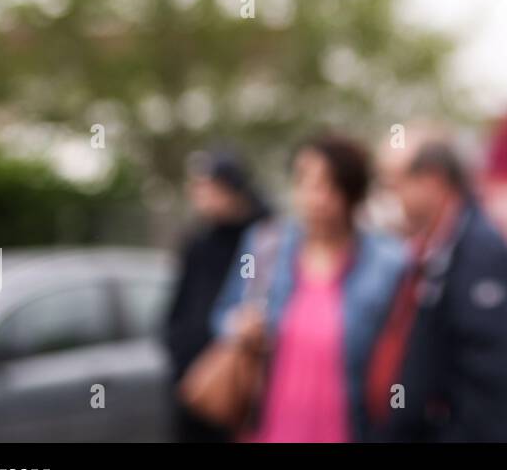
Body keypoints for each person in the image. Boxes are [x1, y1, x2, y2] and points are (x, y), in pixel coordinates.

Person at [212, 131, 405, 442]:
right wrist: (238, 327)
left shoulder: (388, 262)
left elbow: (400, 353)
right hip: (270, 425)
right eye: (304, 182)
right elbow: (222, 314)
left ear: (352, 193)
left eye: (328, 185)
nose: (316, 198)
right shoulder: (265, 246)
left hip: (351, 426)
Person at [366, 136, 507, 442]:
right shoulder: (434, 250)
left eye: (396, 184)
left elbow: (495, 381)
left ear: (432, 179)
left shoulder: (480, 253)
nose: (392, 198)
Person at [163, 148, 272, 443]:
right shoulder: (198, 241)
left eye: (204, 185)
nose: (196, 193)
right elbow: (178, 310)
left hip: (237, 386)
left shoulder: (263, 240)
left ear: (230, 188)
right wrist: (181, 361)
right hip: (193, 387)